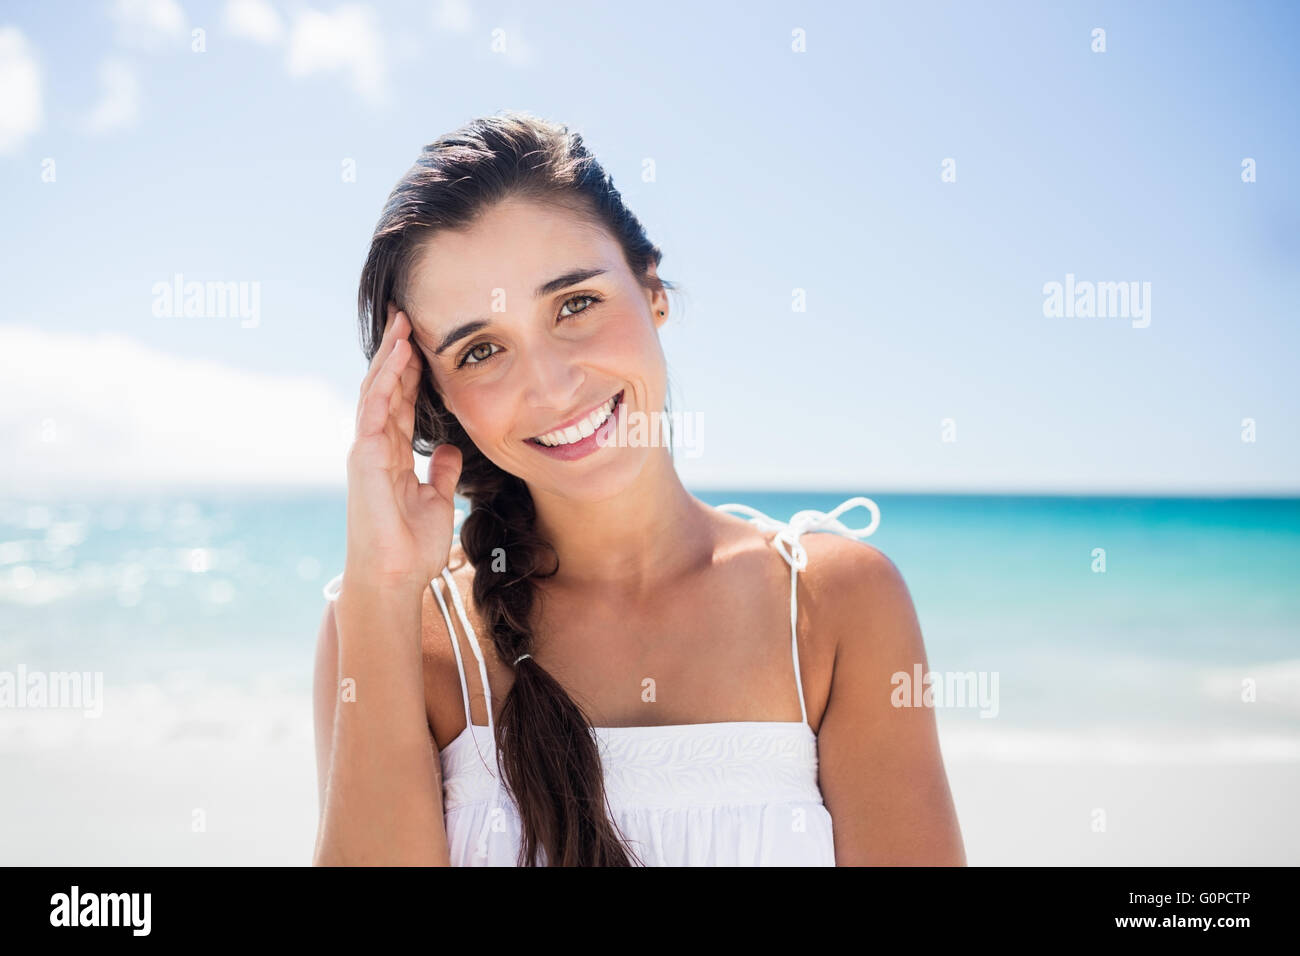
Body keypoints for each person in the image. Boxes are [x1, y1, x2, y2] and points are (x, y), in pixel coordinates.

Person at [312, 110, 965, 866]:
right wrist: (383, 586)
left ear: (652, 287)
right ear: (438, 396)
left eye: (575, 304)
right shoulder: (390, 625)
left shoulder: (834, 606)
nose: (553, 387)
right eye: (483, 349)